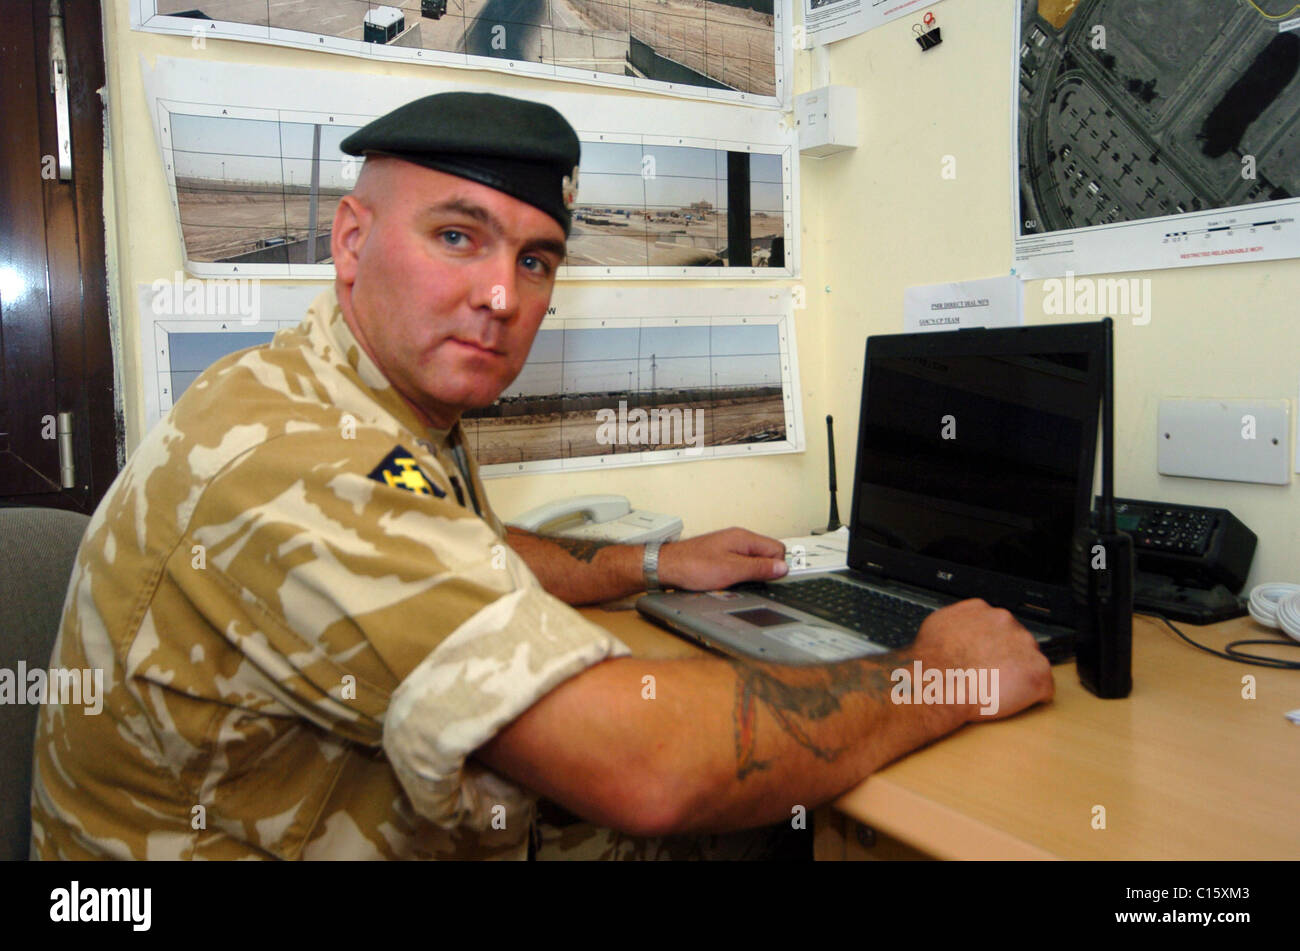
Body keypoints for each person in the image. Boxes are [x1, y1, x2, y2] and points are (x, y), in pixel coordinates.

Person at [30, 93, 1052, 861]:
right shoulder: (297, 458)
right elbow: (645, 766)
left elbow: (450, 545)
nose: (499, 295)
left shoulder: (350, 389)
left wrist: (646, 561)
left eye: (536, 261)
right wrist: (934, 675)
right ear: (352, 240)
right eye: (457, 236)